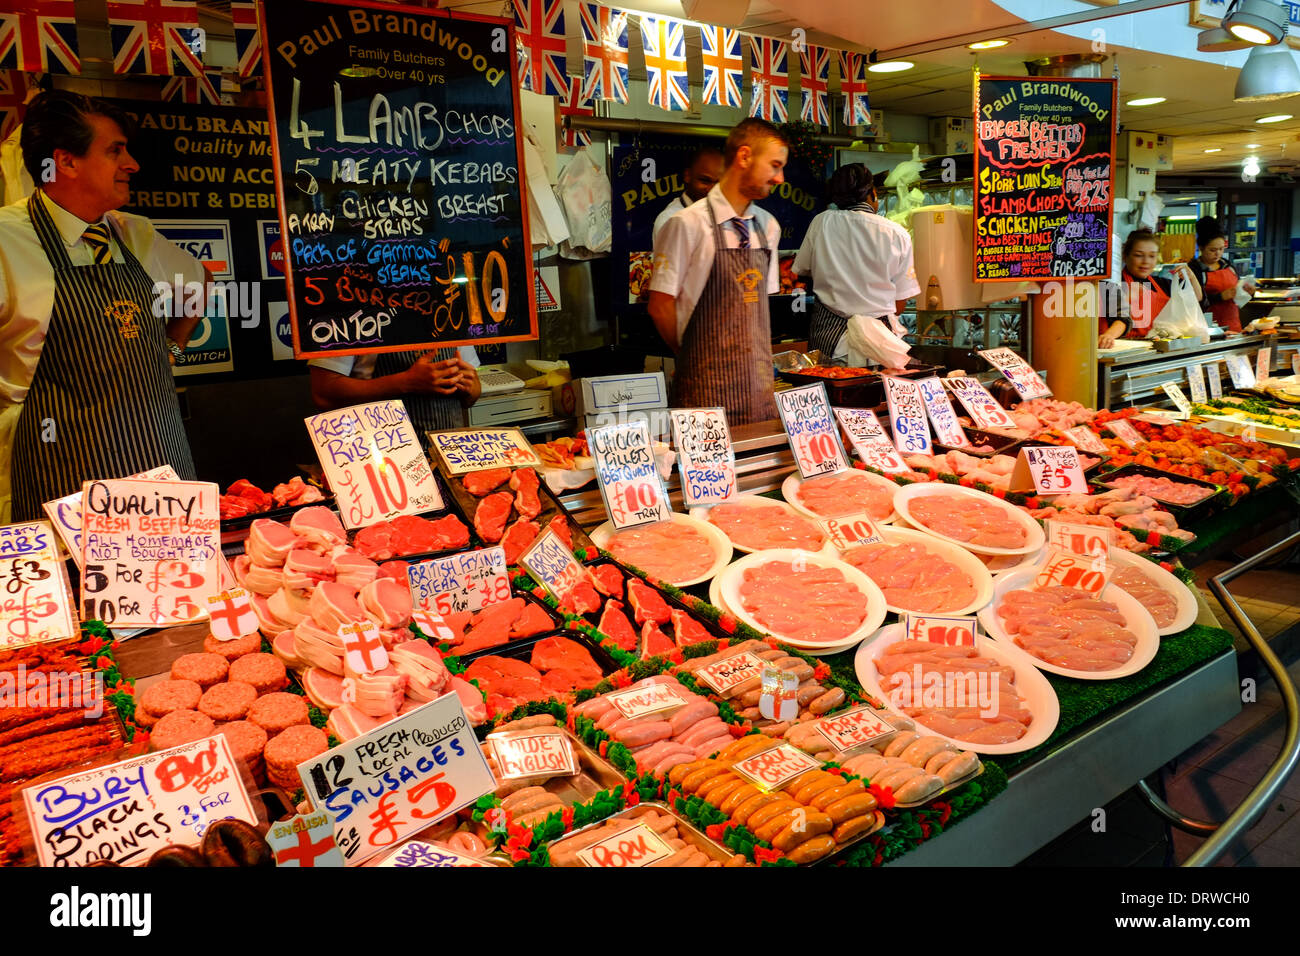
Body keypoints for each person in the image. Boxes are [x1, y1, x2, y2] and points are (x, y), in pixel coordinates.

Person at [0, 91, 204, 521]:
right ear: (67, 162)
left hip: (161, 467)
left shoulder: (137, 234)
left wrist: (173, 350)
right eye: (115, 151)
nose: (132, 164)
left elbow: (198, 284)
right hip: (61, 475)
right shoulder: (5, 240)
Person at [647, 119, 787, 426]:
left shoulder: (768, 226)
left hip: (756, 388)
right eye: (774, 165)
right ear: (745, 157)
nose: (780, 177)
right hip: (703, 388)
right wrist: (691, 356)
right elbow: (660, 305)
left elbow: (760, 306)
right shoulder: (686, 224)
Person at [793, 164, 920, 362]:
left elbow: (802, 271)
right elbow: (900, 303)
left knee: (830, 391)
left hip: (830, 342)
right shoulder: (897, 233)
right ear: (872, 194)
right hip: (881, 347)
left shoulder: (822, 222)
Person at [308, 347, 483, 440]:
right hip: (383, 461)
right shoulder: (352, 313)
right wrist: (405, 382)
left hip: (452, 458)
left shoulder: (451, 312)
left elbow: (472, 397)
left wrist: (470, 388)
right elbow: (324, 394)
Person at [1097, 229, 1202, 347]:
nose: (1146, 261)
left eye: (1152, 256)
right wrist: (1109, 336)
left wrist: (1192, 278)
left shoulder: (1163, 284)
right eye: (1138, 255)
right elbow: (1121, 319)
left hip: (1158, 349)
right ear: (1125, 256)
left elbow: (1195, 298)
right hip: (1124, 349)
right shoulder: (1114, 284)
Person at [651, 146, 725, 243]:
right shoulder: (670, 221)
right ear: (687, 176)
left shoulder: (725, 215)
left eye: (718, 183)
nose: (712, 190)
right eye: (705, 181)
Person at [1188, 231, 1253, 333]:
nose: (1218, 253)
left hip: (1233, 324)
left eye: (1221, 249)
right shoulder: (1193, 270)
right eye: (1212, 250)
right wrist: (1220, 297)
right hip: (1206, 328)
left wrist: (1246, 291)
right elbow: (1190, 301)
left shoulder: (1227, 265)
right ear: (1201, 248)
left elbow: (1238, 289)